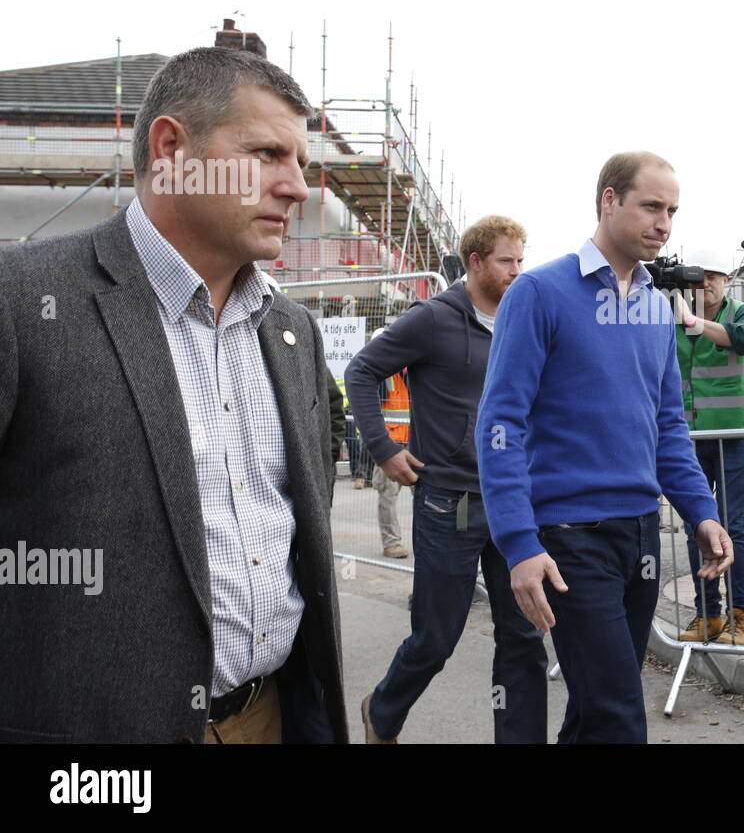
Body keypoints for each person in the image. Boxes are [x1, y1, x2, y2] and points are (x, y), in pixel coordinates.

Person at [0, 46, 346, 743]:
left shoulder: (293, 333)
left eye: (301, 164)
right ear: (172, 149)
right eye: (268, 154)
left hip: (270, 718)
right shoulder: (21, 303)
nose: (297, 188)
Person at [476, 151, 733, 743]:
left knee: (594, 714)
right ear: (608, 200)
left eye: (672, 210)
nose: (664, 223)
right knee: (619, 715)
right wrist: (518, 544)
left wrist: (702, 512)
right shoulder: (539, 292)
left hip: (640, 533)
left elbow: (668, 424)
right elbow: (501, 425)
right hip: (569, 539)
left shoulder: (655, 307)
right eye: (651, 206)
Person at [346, 216, 547, 744]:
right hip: (447, 504)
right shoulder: (432, 320)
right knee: (436, 638)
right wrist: (383, 448)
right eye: (507, 260)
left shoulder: (521, 319)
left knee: (524, 635)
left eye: (522, 260)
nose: (517, 271)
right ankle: (382, 711)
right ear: (475, 262)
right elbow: (361, 371)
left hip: (513, 503)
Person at [673, 247, 744, 645]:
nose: (705, 283)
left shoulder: (743, 313)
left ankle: (738, 614)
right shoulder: (671, 320)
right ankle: (707, 614)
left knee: (732, 527)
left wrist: (692, 321)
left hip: (731, 436)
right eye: (698, 277)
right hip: (689, 437)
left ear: (727, 281)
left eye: (713, 276)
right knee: (698, 526)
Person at [364, 329, 411, 559]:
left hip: (411, 444)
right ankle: (391, 543)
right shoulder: (378, 376)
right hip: (390, 446)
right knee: (388, 497)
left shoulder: (404, 374)